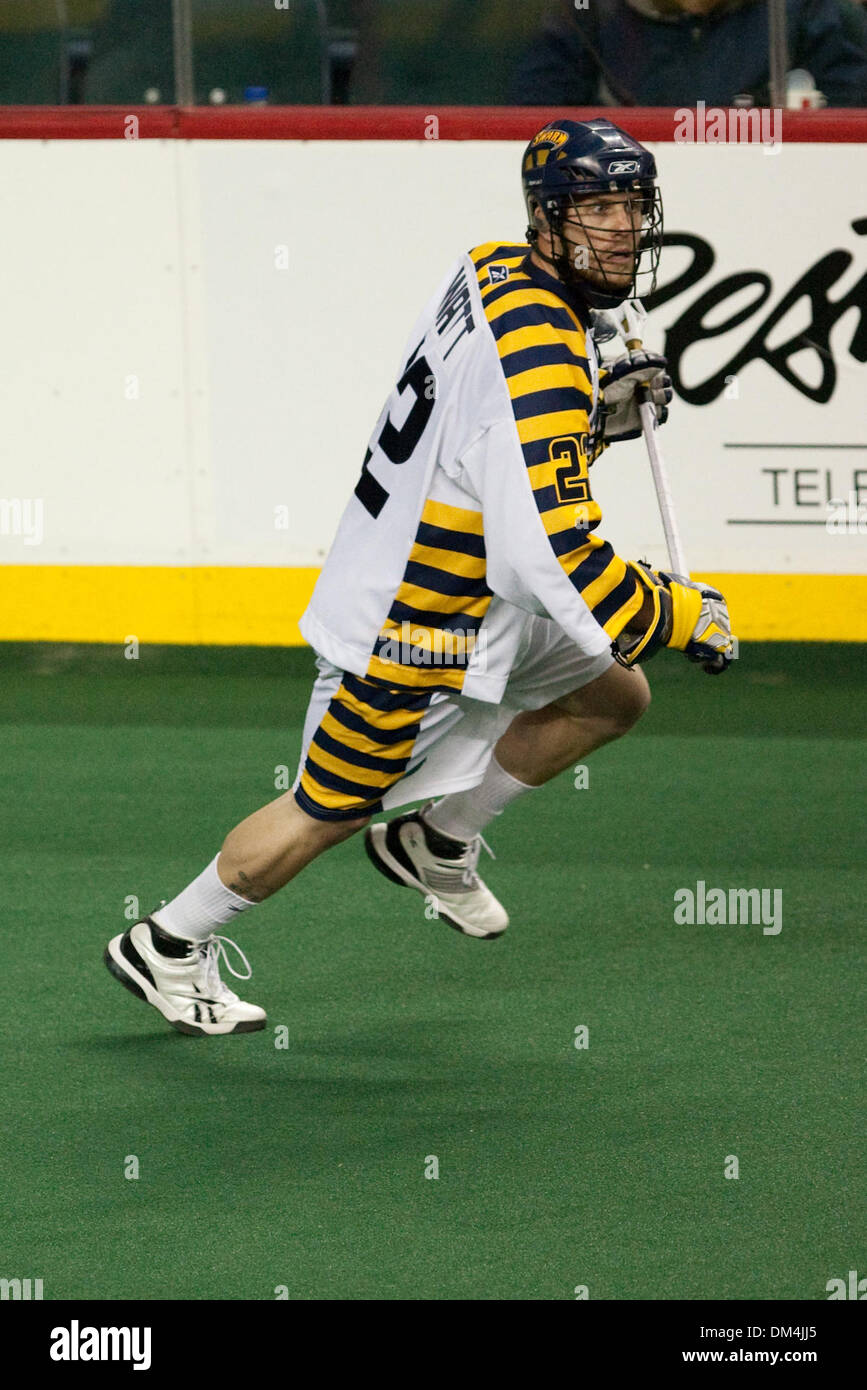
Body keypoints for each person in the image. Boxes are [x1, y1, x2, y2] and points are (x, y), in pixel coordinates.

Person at [105, 117, 736, 1037]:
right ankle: (167, 942)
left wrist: (598, 417)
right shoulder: (546, 358)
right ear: (548, 217)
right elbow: (547, 553)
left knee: (612, 696)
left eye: (632, 207)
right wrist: (678, 614)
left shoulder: (493, 267)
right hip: (417, 622)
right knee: (324, 808)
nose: (621, 228)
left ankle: (437, 838)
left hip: (463, 591)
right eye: (596, 207)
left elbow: (491, 443)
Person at [509, 0, 867, 108]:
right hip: (625, 212)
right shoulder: (582, 19)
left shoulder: (813, 14)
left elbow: (845, 152)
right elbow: (533, 137)